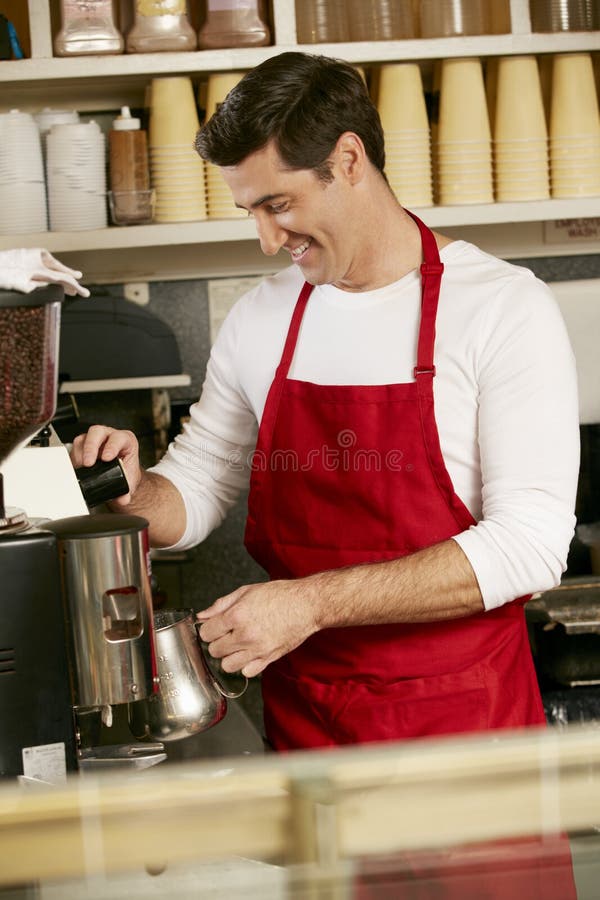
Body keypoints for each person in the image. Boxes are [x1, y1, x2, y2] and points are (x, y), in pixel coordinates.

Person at [72, 51, 579, 754]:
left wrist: (309, 602)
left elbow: (530, 545)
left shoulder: (502, 307)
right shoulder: (262, 317)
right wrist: (134, 491)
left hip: (466, 729)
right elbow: (197, 486)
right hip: (312, 727)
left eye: (279, 205)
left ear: (347, 160)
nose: (267, 239)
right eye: (251, 210)